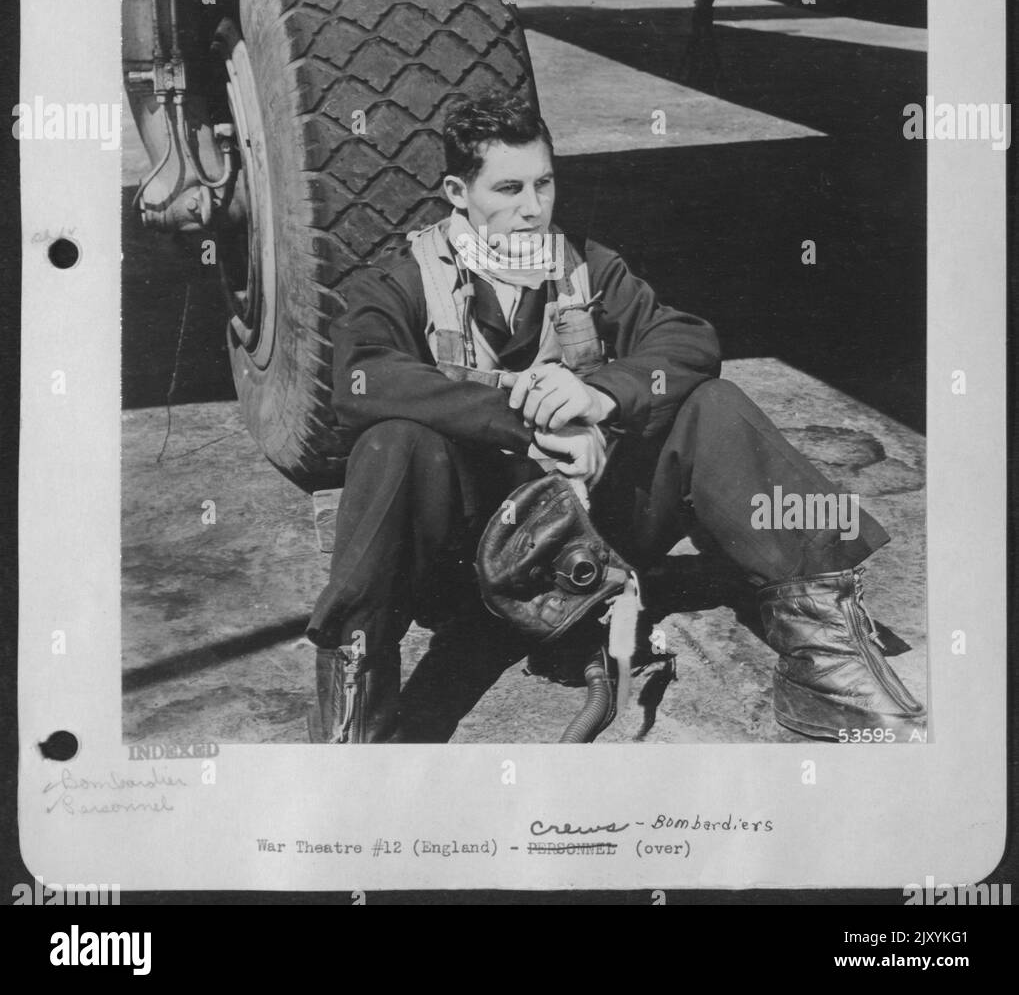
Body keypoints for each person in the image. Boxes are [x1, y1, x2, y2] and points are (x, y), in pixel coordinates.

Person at [306, 91, 925, 744]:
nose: (532, 206)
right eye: (509, 187)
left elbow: (688, 342)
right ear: (457, 192)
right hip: (464, 562)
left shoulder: (588, 267)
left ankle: (826, 666)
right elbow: (360, 378)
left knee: (711, 406)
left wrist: (601, 395)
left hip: (588, 543)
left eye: (544, 183)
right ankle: (357, 714)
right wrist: (520, 414)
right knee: (393, 441)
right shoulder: (402, 281)